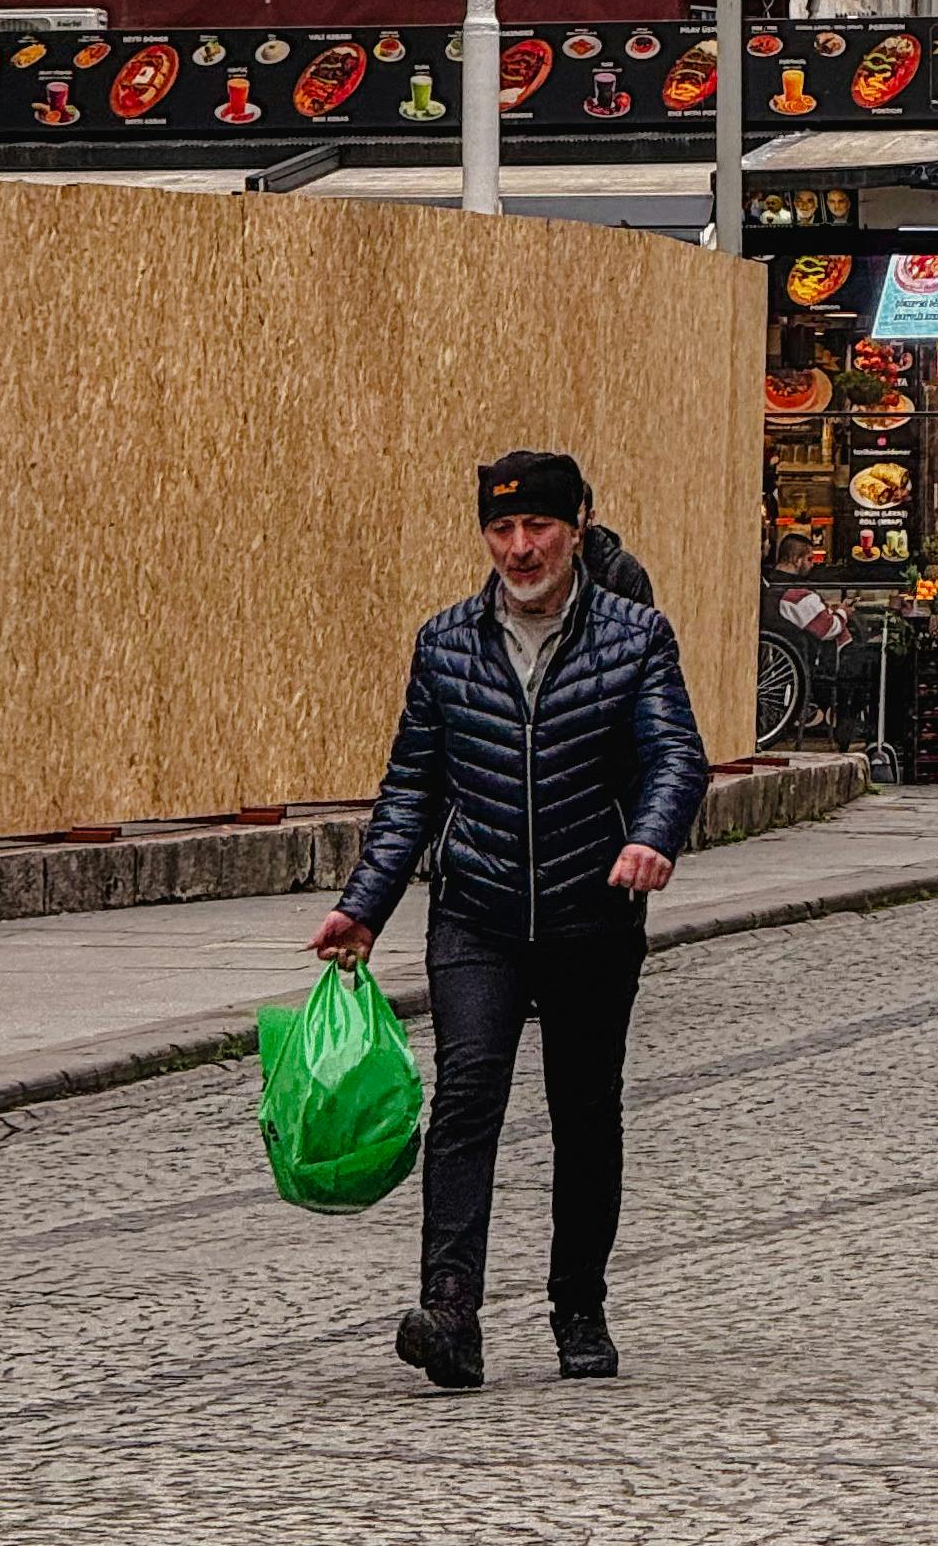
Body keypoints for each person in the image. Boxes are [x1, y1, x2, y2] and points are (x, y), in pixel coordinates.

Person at [310, 448, 707, 1392]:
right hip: (477, 909)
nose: (521, 548)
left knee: (585, 1110)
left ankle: (579, 1304)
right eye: (502, 529)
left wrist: (651, 839)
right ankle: (451, 1312)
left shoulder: (635, 637)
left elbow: (676, 756)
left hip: (590, 906)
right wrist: (363, 907)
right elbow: (411, 789)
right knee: (466, 1099)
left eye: (539, 527)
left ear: (577, 528)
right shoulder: (446, 643)